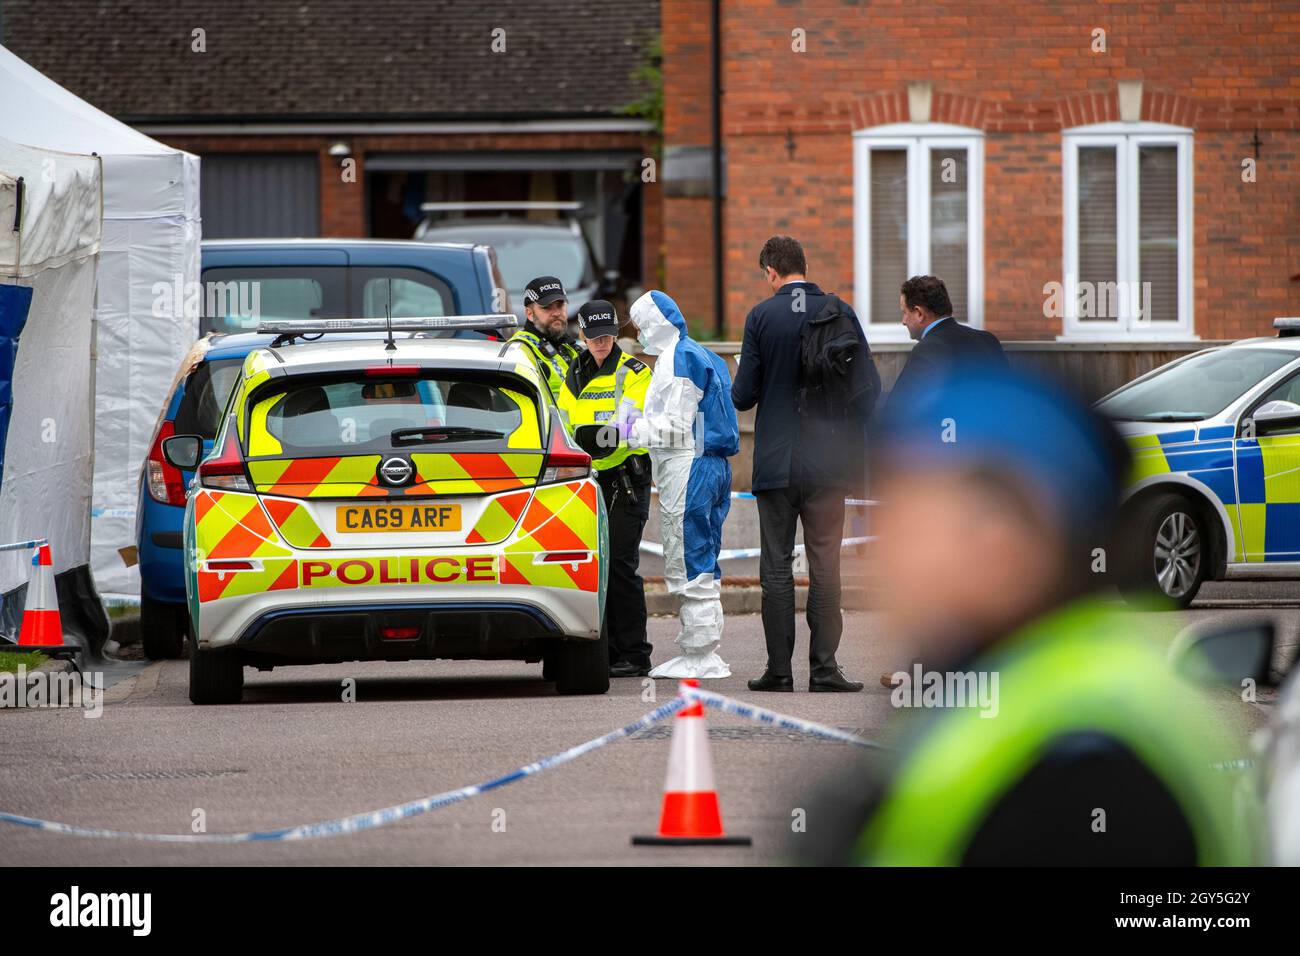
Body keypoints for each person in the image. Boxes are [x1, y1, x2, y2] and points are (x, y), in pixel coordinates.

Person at [802, 368, 1254, 865]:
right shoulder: (1014, 679)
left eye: (906, 513)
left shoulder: (1085, 763)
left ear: (1000, 540)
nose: (885, 544)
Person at [732, 236, 879, 693]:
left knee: (775, 568)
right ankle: (824, 669)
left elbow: (742, 396)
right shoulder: (840, 312)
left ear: (770, 272)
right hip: (826, 464)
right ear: (806, 265)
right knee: (825, 564)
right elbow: (868, 390)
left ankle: (779, 672)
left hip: (776, 462)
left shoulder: (760, 317)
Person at [625, 290, 739, 679]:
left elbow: (674, 426)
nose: (639, 336)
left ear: (656, 323)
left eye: (641, 327)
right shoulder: (700, 353)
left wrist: (626, 430)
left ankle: (700, 653)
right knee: (703, 559)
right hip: (710, 467)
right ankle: (702, 647)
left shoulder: (677, 358)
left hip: (688, 468)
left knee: (688, 558)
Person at [559, 300, 654, 678]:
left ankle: (635, 652)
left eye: (608, 335)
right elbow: (563, 423)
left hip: (626, 479)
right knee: (595, 566)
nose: (602, 342)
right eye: (595, 336)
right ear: (581, 335)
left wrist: (595, 436)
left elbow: (629, 427)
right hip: (587, 478)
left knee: (620, 563)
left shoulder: (634, 371)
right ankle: (609, 650)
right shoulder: (574, 371)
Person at [888, 274, 1007, 408]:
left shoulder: (928, 349)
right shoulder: (988, 340)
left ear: (919, 313)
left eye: (904, 313)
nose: (903, 322)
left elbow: (898, 409)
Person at [509, 275, 581, 401]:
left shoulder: (569, 347)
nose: (556, 313)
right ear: (530, 314)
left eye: (560, 305)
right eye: (547, 307)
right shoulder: (519, 350)